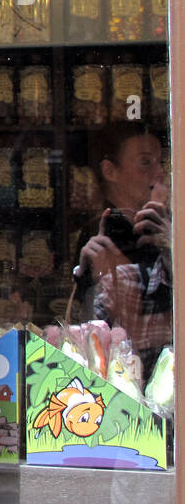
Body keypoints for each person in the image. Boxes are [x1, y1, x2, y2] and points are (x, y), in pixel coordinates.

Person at [71, 123, 172, 370]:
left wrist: (172, 246)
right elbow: (85, 327)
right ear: (110, 170)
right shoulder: (99, 234)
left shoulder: (170, 228)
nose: (159, 172)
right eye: (145, 162)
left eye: (162, 162)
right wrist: (87, 278)